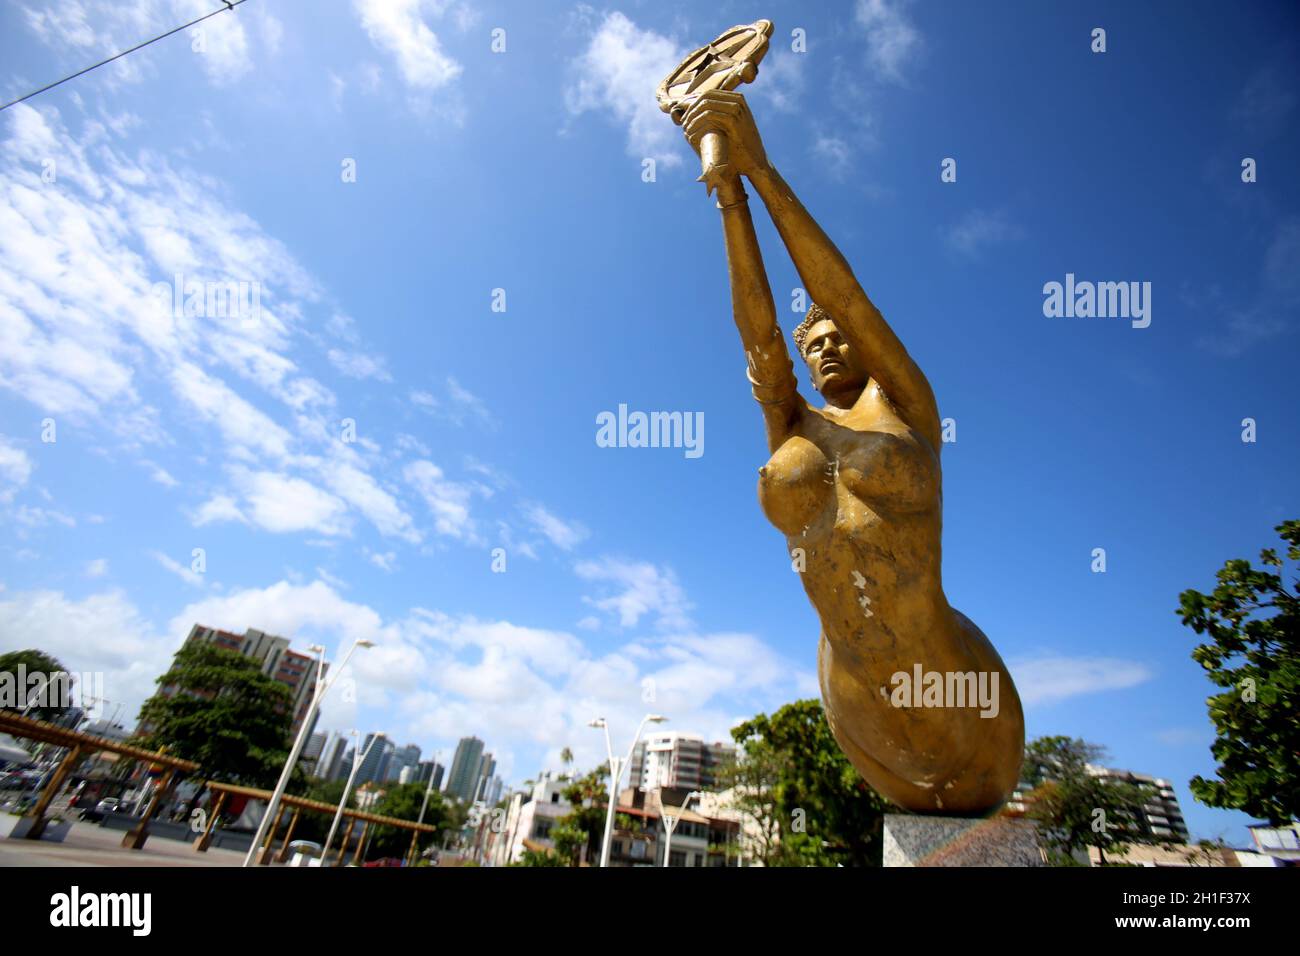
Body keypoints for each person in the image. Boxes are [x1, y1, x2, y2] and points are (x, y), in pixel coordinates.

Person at [679, 90, 1024, 814]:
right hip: (853, 702)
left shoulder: (905, 408)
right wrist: (728, 196)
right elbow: (758, 337)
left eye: (841, 336)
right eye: (818, 342)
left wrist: (762, 171)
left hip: (957, 689)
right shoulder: (791, 425)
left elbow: (844, 293)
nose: (831, 344)